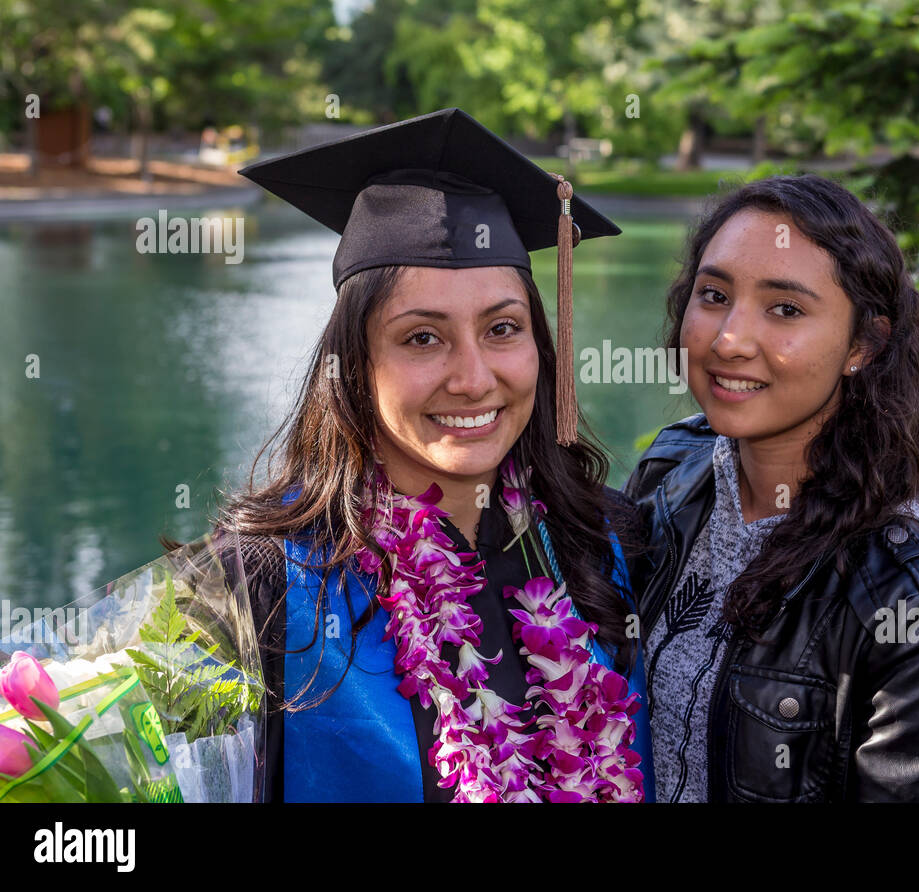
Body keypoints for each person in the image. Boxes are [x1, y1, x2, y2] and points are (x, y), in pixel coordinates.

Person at [203, 108, 654, 802]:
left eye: (503, 328)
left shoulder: (607, 544)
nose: (474, 378)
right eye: (422, 338)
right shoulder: (256, 581)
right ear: (354, 364)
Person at [623, 174, 919, 802]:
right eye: (713, 294)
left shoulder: (909, 600)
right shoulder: (670, 475)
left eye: (786, 309)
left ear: (863, 344)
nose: (729, 340)